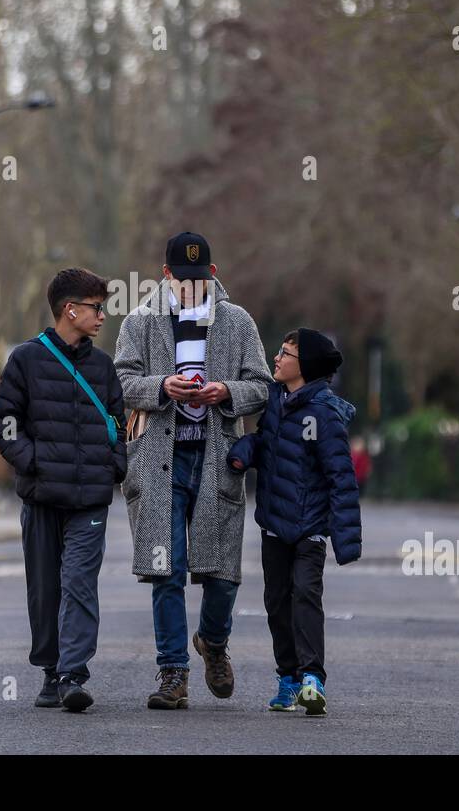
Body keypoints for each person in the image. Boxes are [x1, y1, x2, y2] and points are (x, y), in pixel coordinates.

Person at [114, 232, 273, 709]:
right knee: (167, 570)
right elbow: (122, 381)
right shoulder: (139, 322)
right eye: (182, 280)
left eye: (199, 280)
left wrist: (226, 392)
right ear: (166, 276)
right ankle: (173, 674)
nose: (191, 288)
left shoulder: (238, 322)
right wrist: (163, 386)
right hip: (160, 461)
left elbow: (262, 385)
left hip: (217, 457)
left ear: (213, 275)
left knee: (222, 573)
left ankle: (213, 643)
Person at [0, 267, 126, 713]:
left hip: (89, 497)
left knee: (80, 583)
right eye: (95, 307)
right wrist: (34, 464)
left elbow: (119, 423)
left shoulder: (104, 368)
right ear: (71, 310)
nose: (102, 316)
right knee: (45, 587)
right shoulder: (25, 360)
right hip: (42, 495)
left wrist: (115, 468)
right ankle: (50, 671)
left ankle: (73, 675)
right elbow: (5, 422)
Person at [229, 328, 362, 716]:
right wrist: (243, 451)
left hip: (310, 528)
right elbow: (265, 442)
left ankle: (312, 679)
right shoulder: (274, 401)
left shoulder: (324, 413)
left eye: (285, 354)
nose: (276, 358)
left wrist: (345, 537)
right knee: (275, 602)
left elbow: (342, 477)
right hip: (274, 524)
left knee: (305, 594)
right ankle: (287, 678)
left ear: (303, 367)